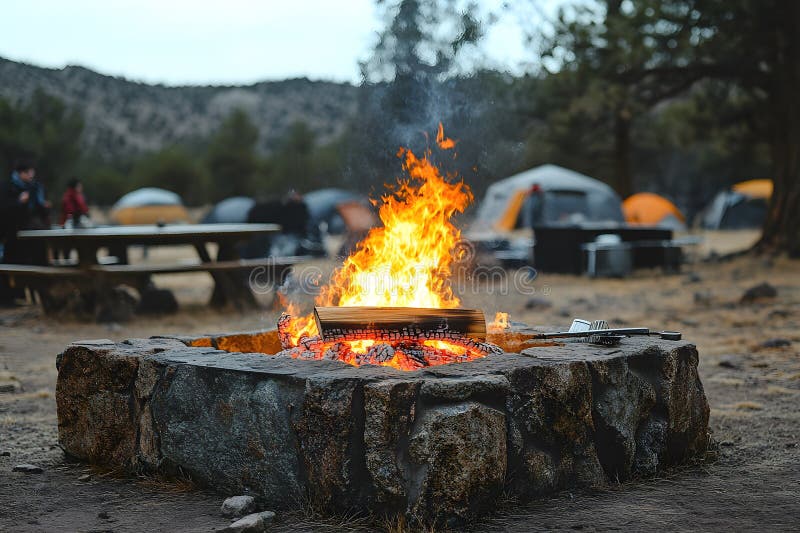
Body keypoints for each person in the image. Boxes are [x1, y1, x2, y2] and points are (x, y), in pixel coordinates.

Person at [0, 159, 51, 304]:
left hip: (31, 233)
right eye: (29, 173)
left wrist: (45, 207)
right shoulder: (7, 187)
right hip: (11, 233)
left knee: (31, 262)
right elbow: (4, 209)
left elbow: (38, 210)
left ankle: (28, 295)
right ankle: (7, 298)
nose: (31, 176)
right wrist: (19, 202)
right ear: (20, 173)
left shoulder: (34, 188)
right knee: (11, 264)